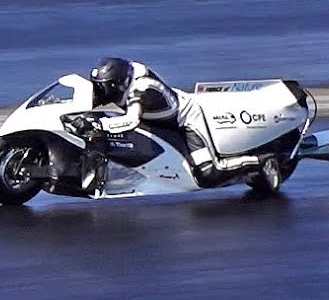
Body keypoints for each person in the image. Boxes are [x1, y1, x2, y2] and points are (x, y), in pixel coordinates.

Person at [82, 57, 278, 197]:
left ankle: (262, 161)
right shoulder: (126, 76)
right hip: (154, 120)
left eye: (102, 87)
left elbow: (132, 120)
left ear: (116, 85)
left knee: (208, 173)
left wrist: (100, 124)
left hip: (184, 121)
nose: (99, 91)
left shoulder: (141, 90)